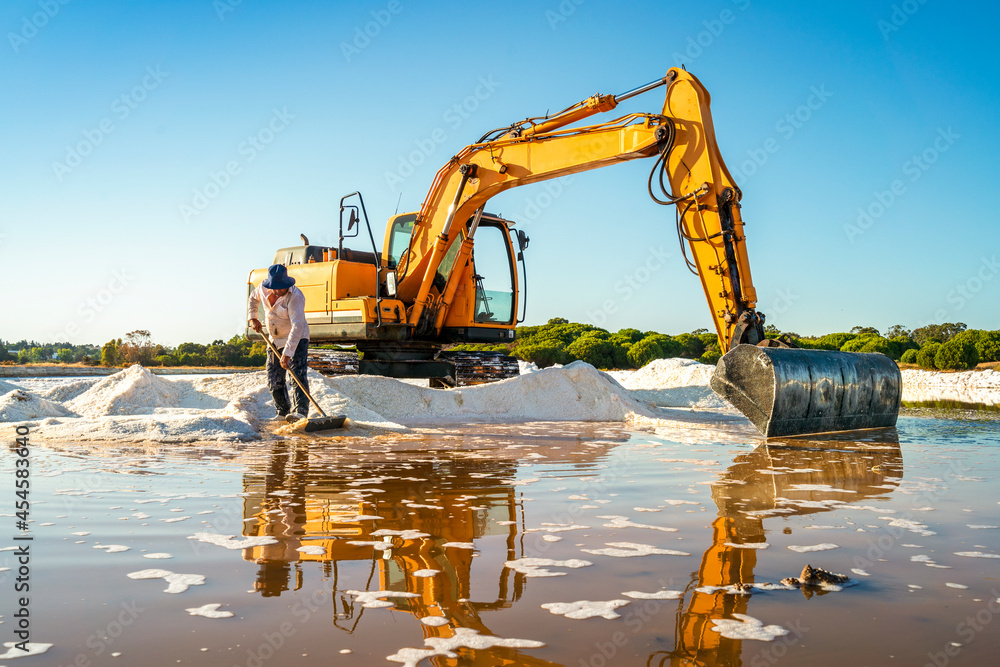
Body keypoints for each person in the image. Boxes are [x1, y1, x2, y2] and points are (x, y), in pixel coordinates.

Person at [248, 264, 310, 421]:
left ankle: (300, 412)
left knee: (297, 375)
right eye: (277, 287)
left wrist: (288, 353)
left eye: (282, 287)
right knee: (273, 376)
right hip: (274, 338)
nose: (280, 290)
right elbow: (252, 299)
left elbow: (297, 326)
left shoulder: (295, 296)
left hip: (297, 338)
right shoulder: (262, 289)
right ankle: (282, 412)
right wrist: (253, 317)